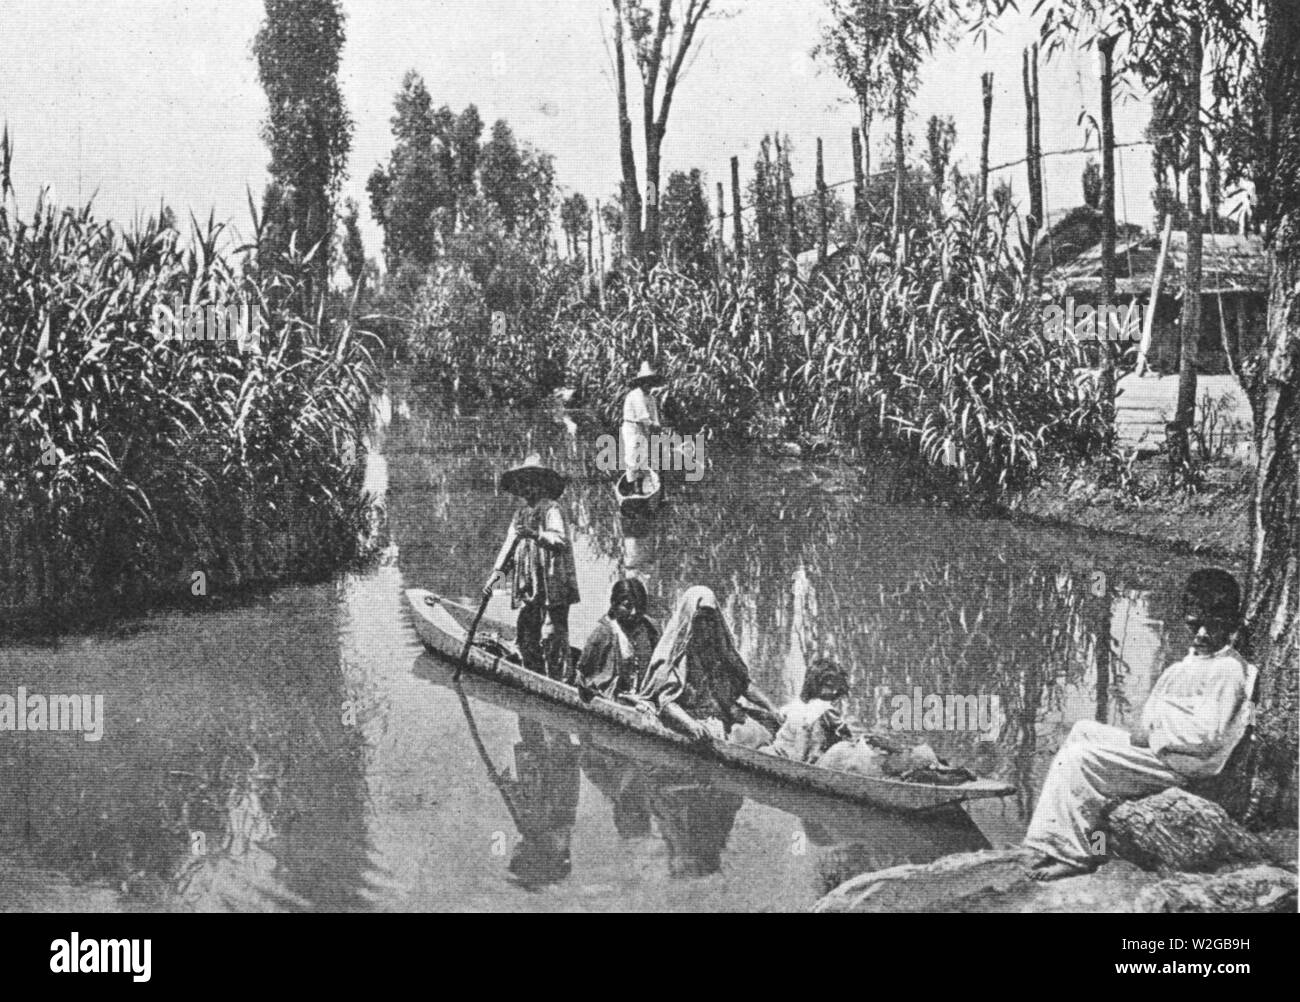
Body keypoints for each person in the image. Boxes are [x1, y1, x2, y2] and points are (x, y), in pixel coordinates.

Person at [1024, 569, 1258, 881]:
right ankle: (1064, 834)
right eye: (1194, 625)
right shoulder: (1195, 662)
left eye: (1211, 627)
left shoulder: (1228, 670)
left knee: (1080, 759)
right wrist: (1150, 725)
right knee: (1083, 730)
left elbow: (1208, 736)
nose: (1201, 634)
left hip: (1186, 765)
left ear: (1228, 625)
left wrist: (1153, 732)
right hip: (1169, 751)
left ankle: (1074, 854)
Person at [636, 586, 782, 744]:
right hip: (691, 719)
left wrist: (771, 707)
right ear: (690, 616)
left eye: (710, 619)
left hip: (723, 714)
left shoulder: (718, 649)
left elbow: (744, 684)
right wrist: (690, 724)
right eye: (701, 619)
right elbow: (665, 702)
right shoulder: (673, 656)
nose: (705, 625)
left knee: (767, 730)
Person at [483, 454, 580, 681]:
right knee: (526, 631)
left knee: (552, 634)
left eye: (532, 482)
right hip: (530, 584)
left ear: (541, 484)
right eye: (523, 483)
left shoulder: (551, 509)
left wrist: (535, 535)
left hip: (553, 582)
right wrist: (494, 581)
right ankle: (532, 676)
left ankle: (559, 681)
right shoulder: (520, 514)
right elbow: (508, 550)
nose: (527, 488)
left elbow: (560, 540)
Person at [575, 579, 661, 700]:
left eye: (639, 607)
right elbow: (585, 675)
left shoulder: (650, 630)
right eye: (627, 606)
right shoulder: (603, 634)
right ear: (615, 603)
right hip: (615, 700)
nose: (634, 612)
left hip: (644, 699)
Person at [765, 659, 855, 764]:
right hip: (799, 759)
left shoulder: (795, 705)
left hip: (778, 753)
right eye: (831, 687)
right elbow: (847, 736)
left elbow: (780, 717)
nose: (835, 692)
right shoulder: (827, 710)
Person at [621, 362, 664, 493]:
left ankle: (643, 487)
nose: (648, 385)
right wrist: (654, 427)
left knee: (644, 456)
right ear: (640, 383)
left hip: (643, 429)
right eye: (645, 382)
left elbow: (654, 416)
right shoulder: (635, 395)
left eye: (650, 382)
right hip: (632, 428)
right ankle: (634, 488)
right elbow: (643, 417)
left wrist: (658, 428)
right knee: (633, 456)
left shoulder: (650, 398)